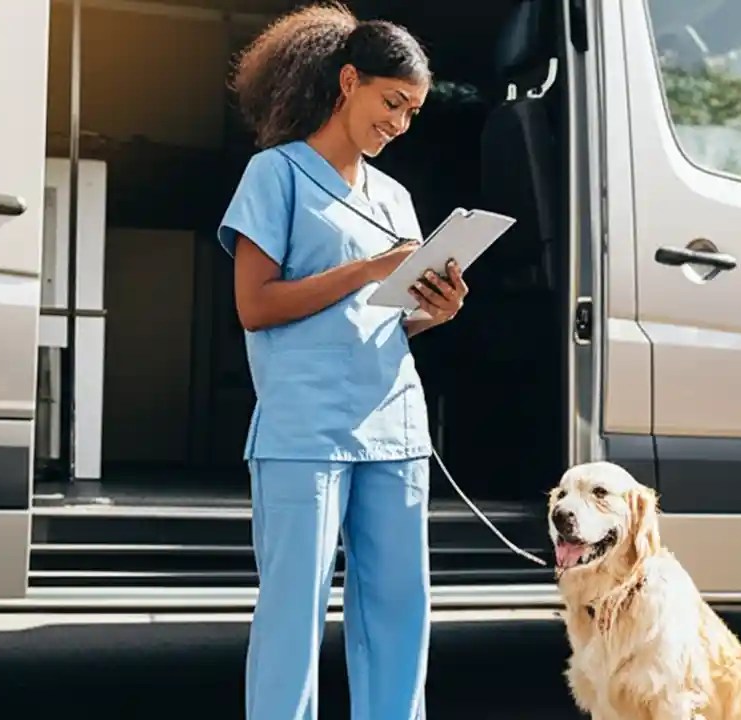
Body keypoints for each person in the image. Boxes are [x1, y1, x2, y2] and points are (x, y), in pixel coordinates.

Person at [215, 3, 467, 719]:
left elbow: (381, 320)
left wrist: (434, 312)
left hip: (394, 426)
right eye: (393, 102)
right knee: (293, 617)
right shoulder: (277, 176)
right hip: (305, 430)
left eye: (413, 112)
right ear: (349, 81)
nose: (400, 122)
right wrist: (363, 270)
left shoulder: (396, 198)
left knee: (398, 614)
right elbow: (255, 306)